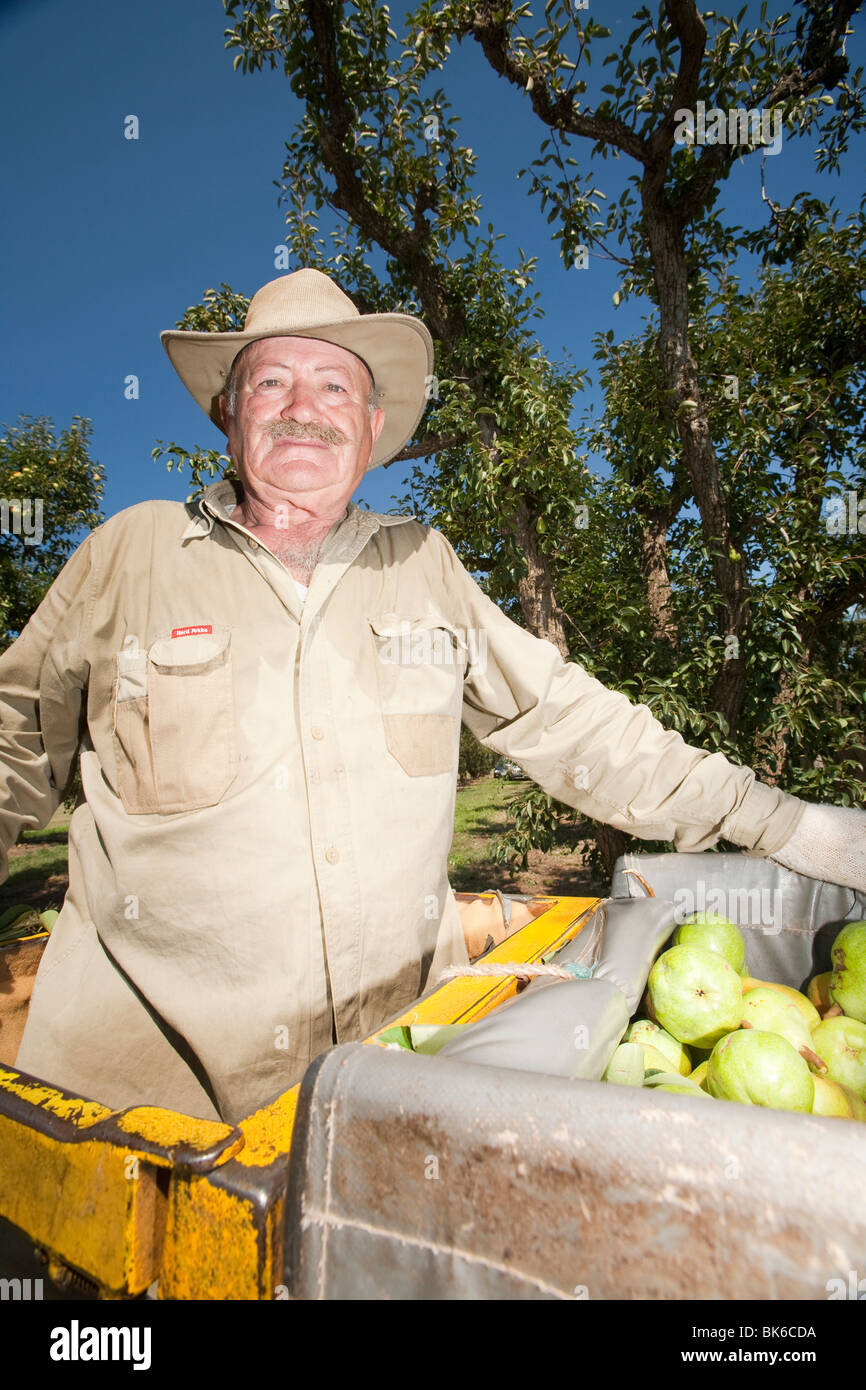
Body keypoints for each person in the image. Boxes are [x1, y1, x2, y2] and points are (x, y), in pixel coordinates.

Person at [2, 269, 863, 1125]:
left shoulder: (423, 565)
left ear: (371, 427)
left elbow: (567, 719)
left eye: (334, 386)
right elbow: (13, 741)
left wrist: (789, 825)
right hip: (143, 1115)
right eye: (271, 382)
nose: (303, 407)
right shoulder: (132, 555)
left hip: (396, 1080)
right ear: (230, 412)